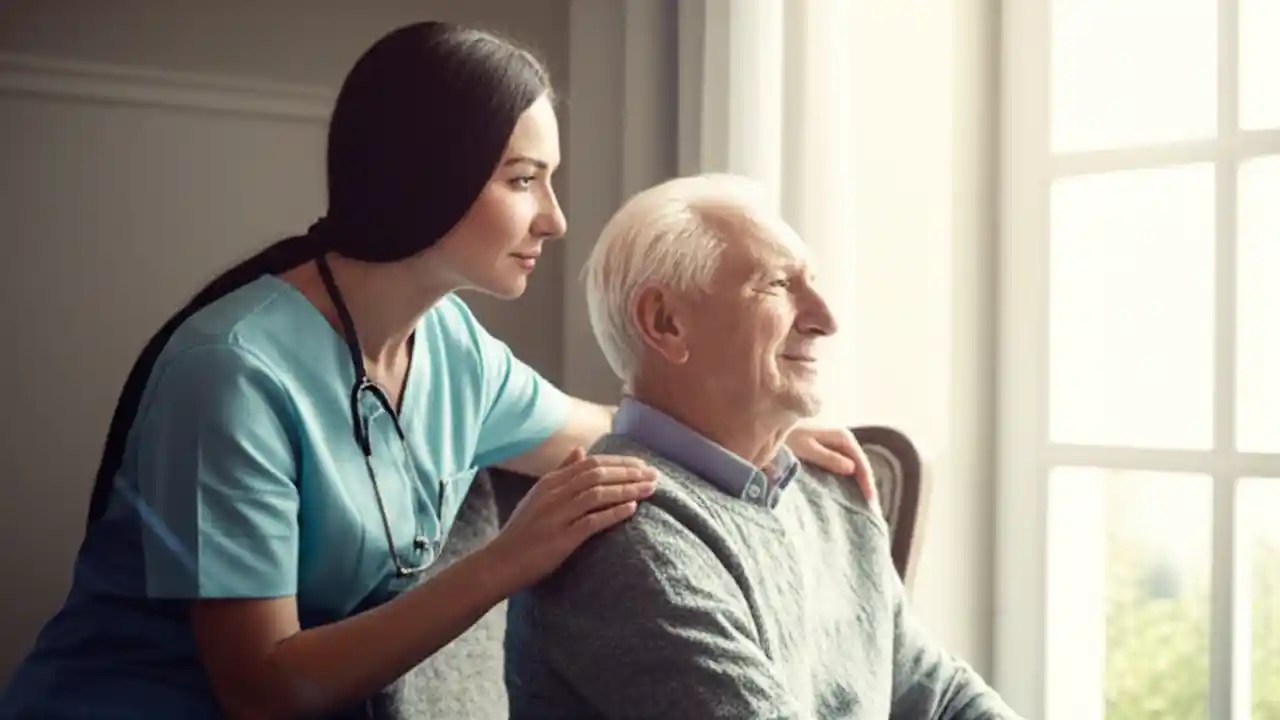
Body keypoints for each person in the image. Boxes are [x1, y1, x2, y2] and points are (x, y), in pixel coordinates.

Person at [0, 22, 866, 720]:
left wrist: (763, 426)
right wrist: (501, 562)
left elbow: (609, 428)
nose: (556, 219)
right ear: (429, 173)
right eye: (524, 180)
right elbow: (261, 690)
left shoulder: (452, 345)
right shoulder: (231, 375)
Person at [504, 174, 1023, 719]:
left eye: (813, 282)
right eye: (778, 284)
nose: (826, 319)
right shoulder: (616, 535)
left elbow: (939, 697)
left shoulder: (830, 487)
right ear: (666, 322)